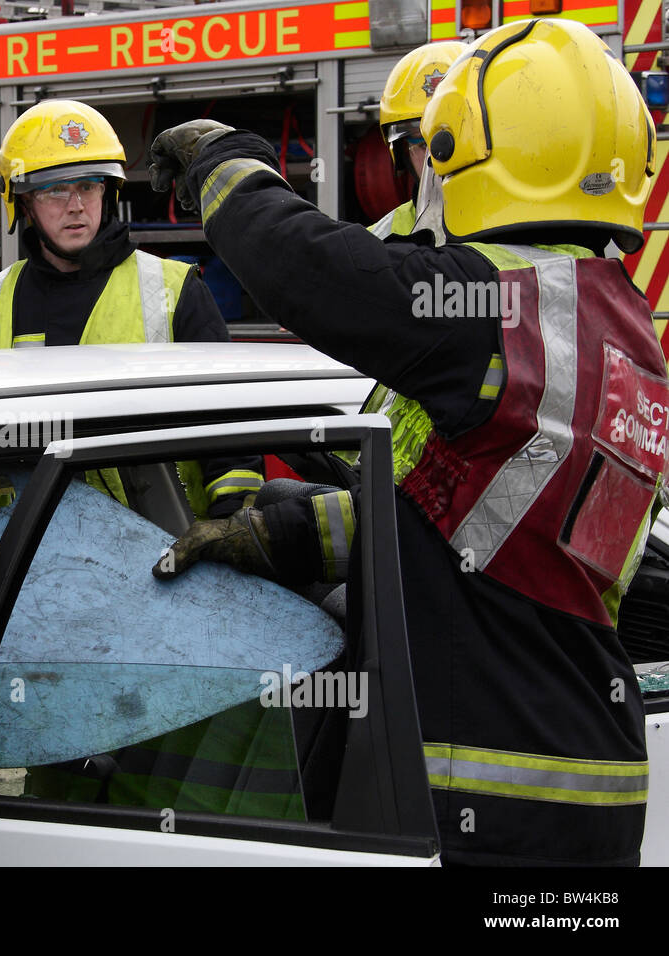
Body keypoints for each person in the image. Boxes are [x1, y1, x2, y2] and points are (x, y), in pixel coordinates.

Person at [147, 19, 663, 865]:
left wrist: (222, 161)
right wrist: (275, 534)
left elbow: (312, 269)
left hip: (494, 805)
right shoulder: (616, 321)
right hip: (589, 791)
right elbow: (475, 524)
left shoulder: (495, 314)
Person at [0, 99, 264, 516]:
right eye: (54, 189)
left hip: (159, 550)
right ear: (22, 202)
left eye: (88, 185)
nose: (76, 205)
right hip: (18, 555)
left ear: (108, 191)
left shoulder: (175, 291)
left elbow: (233, 431)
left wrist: (234, 523)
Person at [371, 40, 467, 239]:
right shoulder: (377, 241)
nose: (439, 157)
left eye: (452, 139)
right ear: (401, 151)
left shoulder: (526, 229)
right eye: (423, 144)